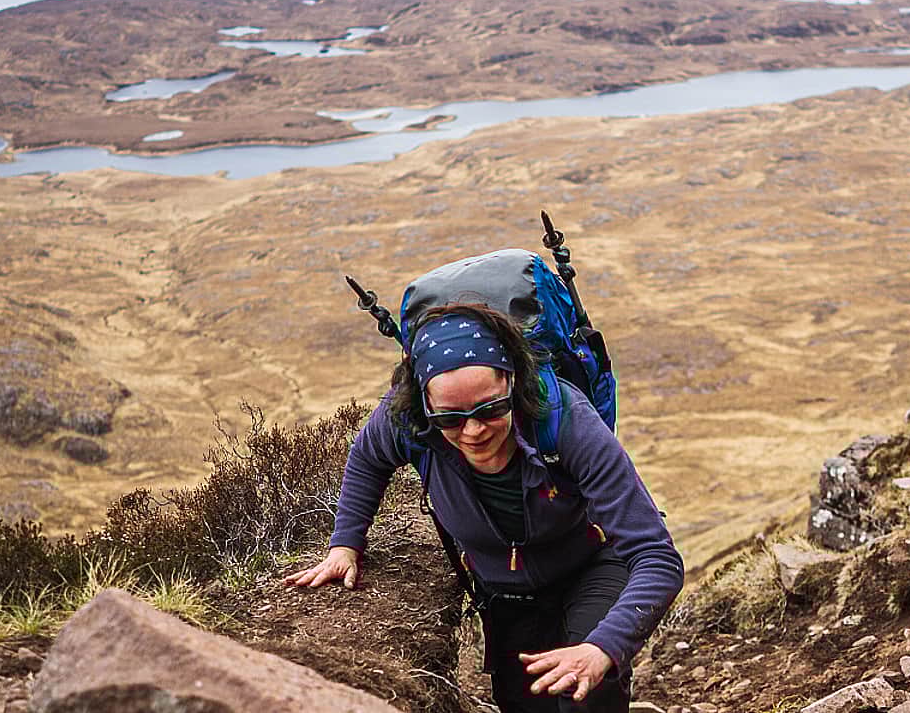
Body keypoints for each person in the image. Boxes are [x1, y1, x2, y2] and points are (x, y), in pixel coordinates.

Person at [285, 302, 684, 712]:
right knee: (527, 704)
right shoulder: (406, 420)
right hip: (506, 592)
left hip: (592, 565)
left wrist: (603, 648)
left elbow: (658, 557)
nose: (473, 430)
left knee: (583, 691)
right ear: (425, 403)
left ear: (512, 381)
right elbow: (367, 460)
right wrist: (345, 545)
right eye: (451, 419)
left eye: (490, 409)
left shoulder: (567, 422)